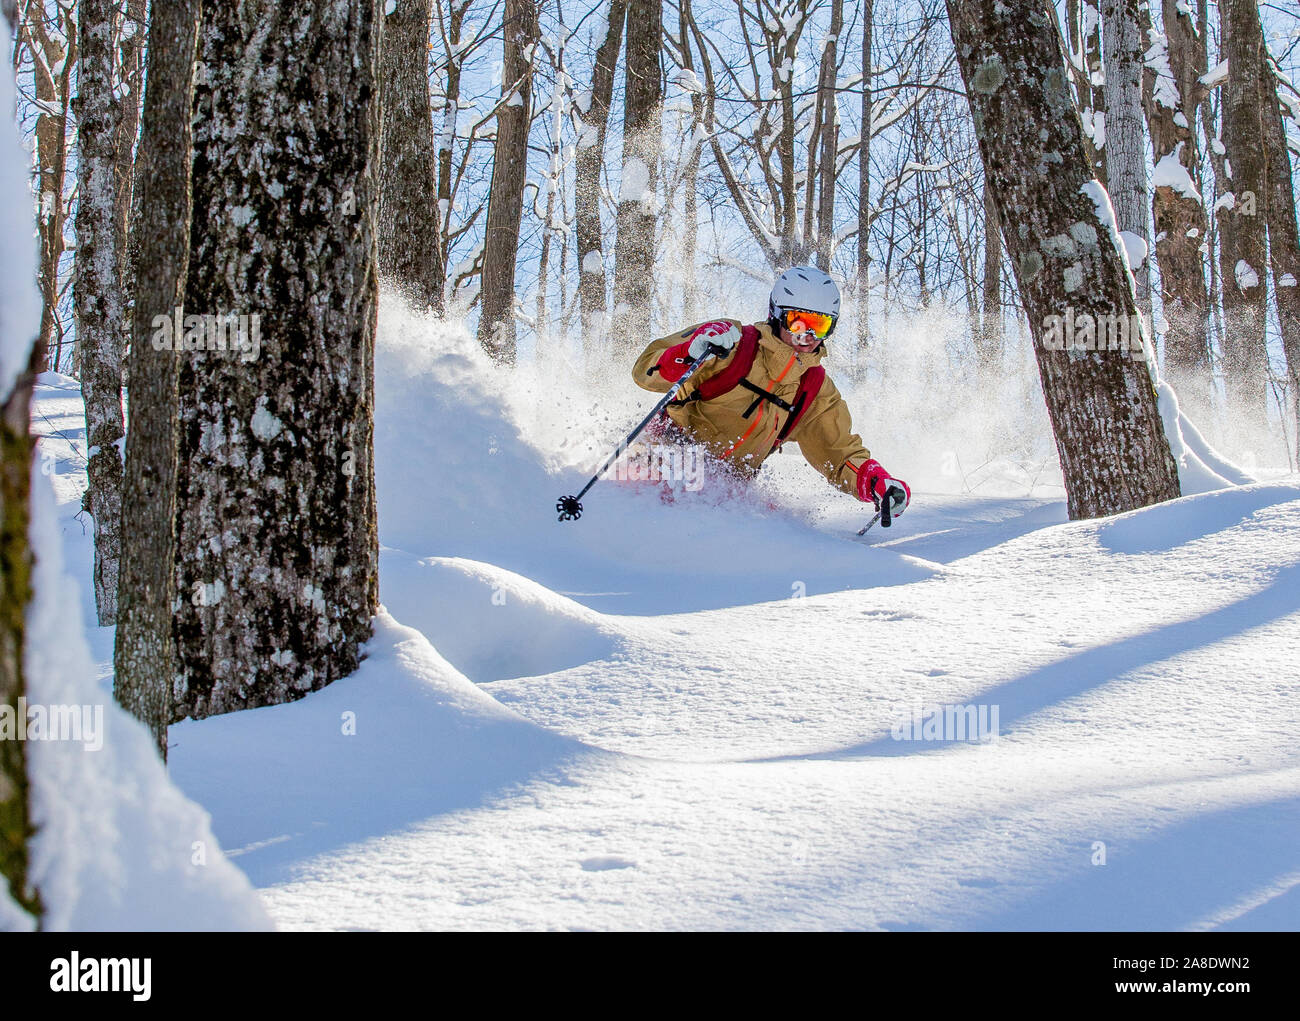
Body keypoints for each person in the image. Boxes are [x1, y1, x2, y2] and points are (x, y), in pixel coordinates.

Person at [631, 265, 911, 515]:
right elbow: (645, 370)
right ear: (777, 315)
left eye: (821, 326)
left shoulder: (813, 389)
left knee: (769, 530)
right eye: (799, 322)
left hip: (727, 489)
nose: (808, 337)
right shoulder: (731, 342)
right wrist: (690, 352)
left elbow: (839, 451)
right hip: (665, 460)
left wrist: (874, 481)